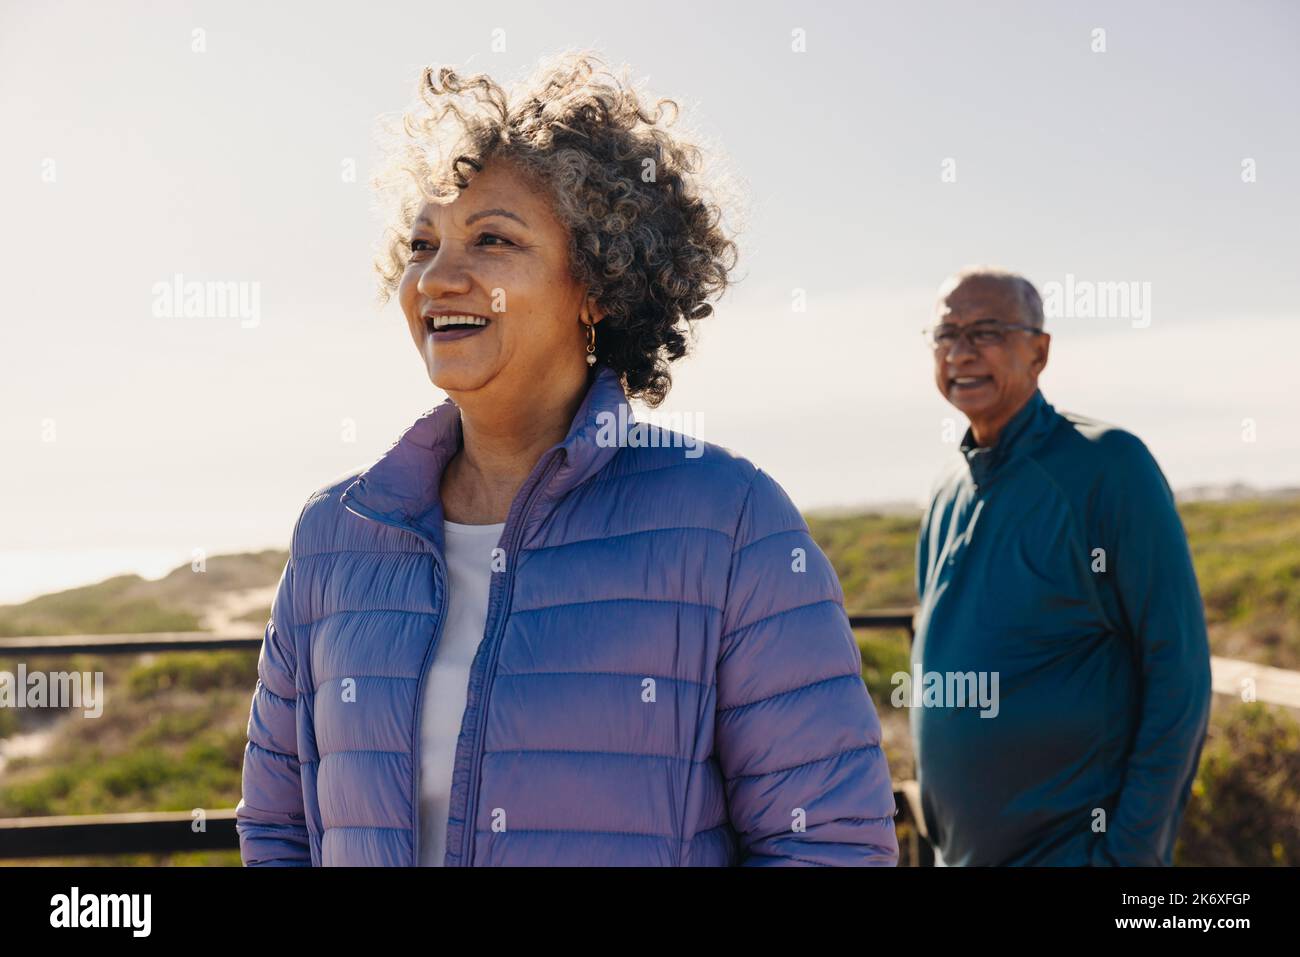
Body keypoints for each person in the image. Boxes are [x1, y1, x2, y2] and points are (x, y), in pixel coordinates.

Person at [235, 51, 898, 866]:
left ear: (598, 286)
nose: (439, 277)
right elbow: (276, 831)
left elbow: (828, 844)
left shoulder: (731, 522)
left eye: (492, 240)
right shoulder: (334, 536)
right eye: (421, 242)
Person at [912, 266, 1211, 866]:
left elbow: (1179, 674)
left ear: (1039, 351)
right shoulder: (947, 487)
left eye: (987, 331)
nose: (961, 351)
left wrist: (1128, 858)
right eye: (945, 335)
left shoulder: (1108, 467)